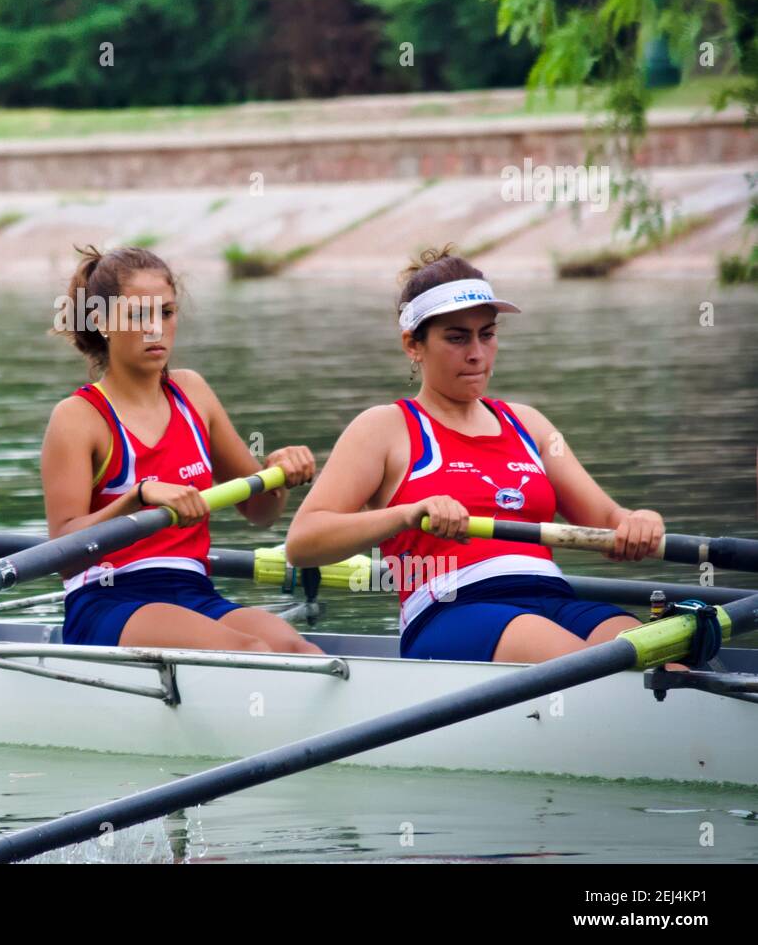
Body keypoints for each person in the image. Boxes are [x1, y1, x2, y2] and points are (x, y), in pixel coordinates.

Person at [285, 246, 667, 664]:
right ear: (413, 345)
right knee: (597, 670)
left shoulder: (529, 425)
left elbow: (609, 524)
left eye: (487, 334)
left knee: (665, 663)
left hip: (554, 599)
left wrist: (639, 521)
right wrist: (407, 513)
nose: (476, 354)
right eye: (456, 337)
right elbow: (303, 543)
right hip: (453, 609)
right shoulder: (384, 428)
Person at [42, 245, 319, 654]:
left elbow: (262, 512)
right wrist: (137, 498)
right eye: (137, 314)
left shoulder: (193, 393)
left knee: (300, 652)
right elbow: (63, 556)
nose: (155, 328)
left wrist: (280, 470)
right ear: (100, 320)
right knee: (253, 653)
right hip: (108, 599)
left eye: (166, 313)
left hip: (193, 591)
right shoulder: (78, 417)